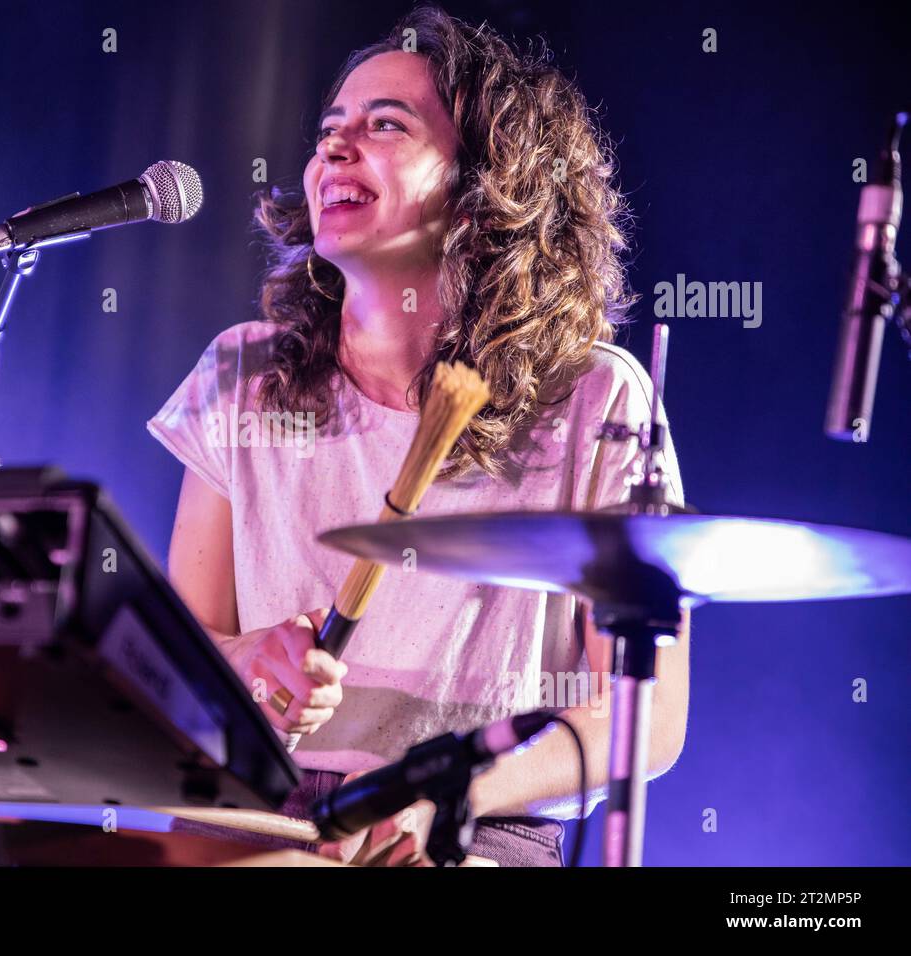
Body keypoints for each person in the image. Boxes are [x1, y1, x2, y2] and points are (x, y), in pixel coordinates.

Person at [147, 5, 689, 866]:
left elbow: (646, 720)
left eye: (385, 125)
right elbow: (175, 665)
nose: (335, 146)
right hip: (250, 812)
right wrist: (248, 659)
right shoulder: (241, 373)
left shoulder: (595, 396)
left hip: (478, 823)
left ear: (485, 188)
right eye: (329, 129)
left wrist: (449, 790)